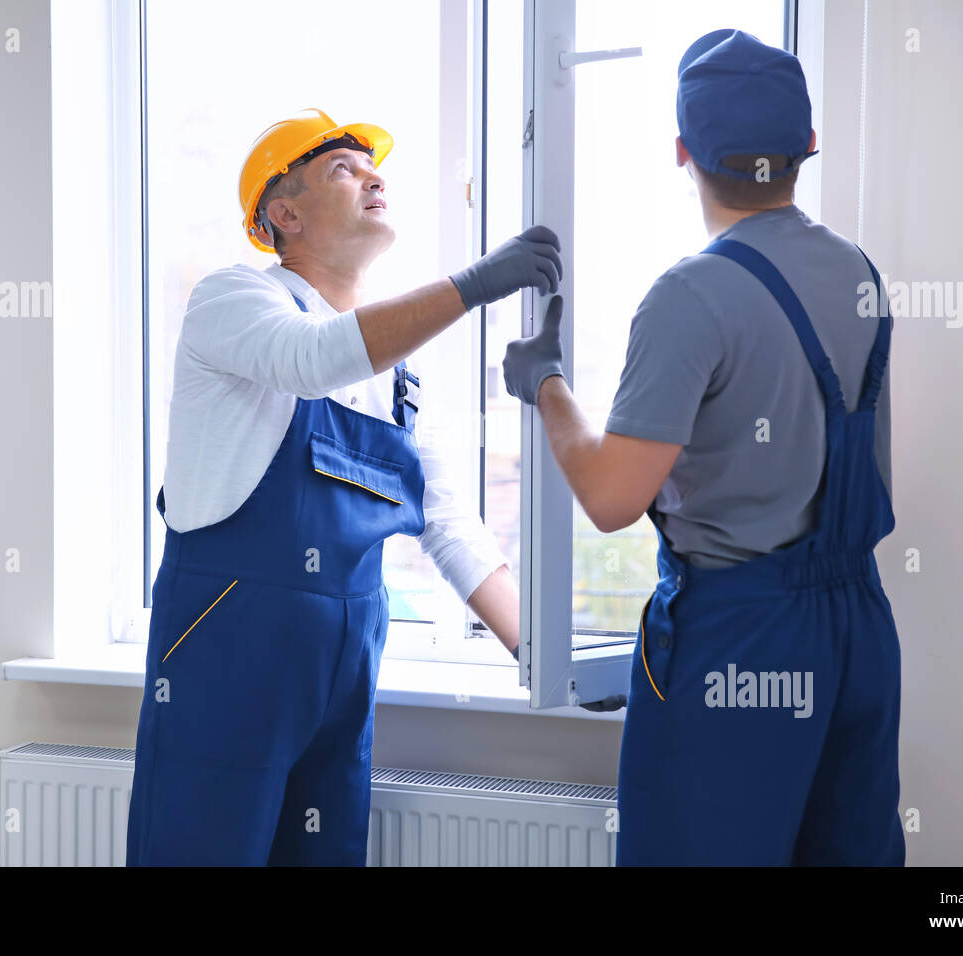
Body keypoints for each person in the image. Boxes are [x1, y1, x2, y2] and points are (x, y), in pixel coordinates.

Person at [502, 30, 904, 865]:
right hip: (859, 632)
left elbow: (612, 499)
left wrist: (546, 384)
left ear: (683, 150)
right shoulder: (859, 271)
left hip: (739, 639)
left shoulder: (693, 293)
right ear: (808, 148)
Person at [126, 108, 562, 866]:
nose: (372, 175)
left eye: (373, 167)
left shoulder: (397, 380)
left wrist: (544, 653)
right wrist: (474, 285)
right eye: (342, 168)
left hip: (342, 678)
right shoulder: (233, 301)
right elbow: (312, 358)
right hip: (226, 661)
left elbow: (448, 523)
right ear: (283, 213)